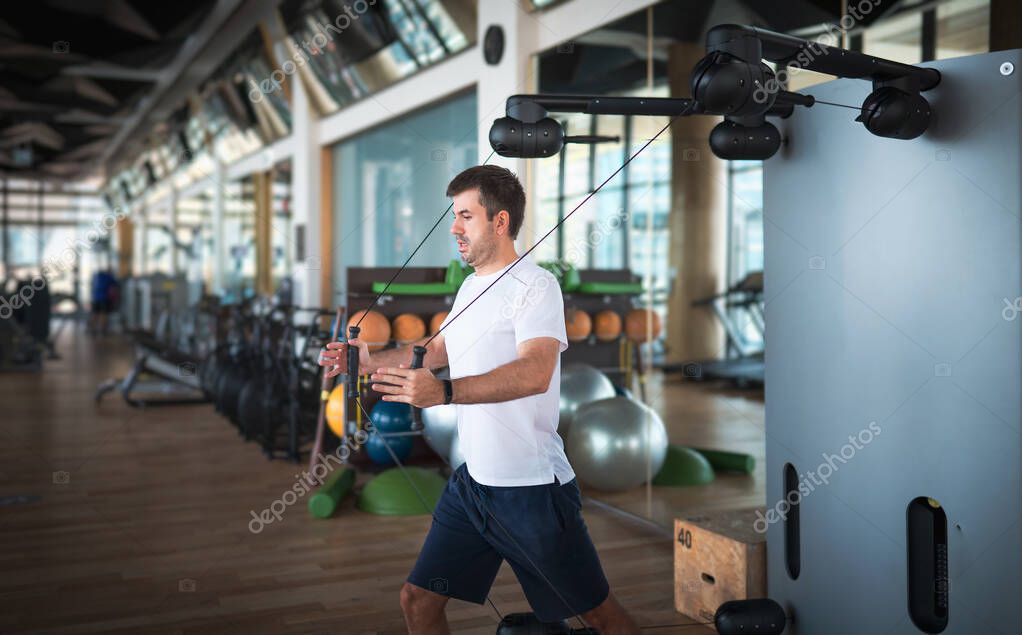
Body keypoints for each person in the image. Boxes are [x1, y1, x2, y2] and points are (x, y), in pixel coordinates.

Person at [320, 165, 639, 634]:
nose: (454, 227)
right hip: (473, 485)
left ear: (500, 221)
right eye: (454, 216)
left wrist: (446, 392)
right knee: (418, 600)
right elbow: (436, 350)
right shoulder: (470, 286)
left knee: (598, 614)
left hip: (532, 491)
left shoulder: (537, 286)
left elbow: (535, 372)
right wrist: (369, 361)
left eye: (465, 216)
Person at [89, 268, 118, 335]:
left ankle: (92, 329)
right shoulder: (108, 277)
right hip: (104, 298)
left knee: (95, 314)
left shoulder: (96, 277)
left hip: (96, 298)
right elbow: (115, 284)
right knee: (104, 314)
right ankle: (103, 330)